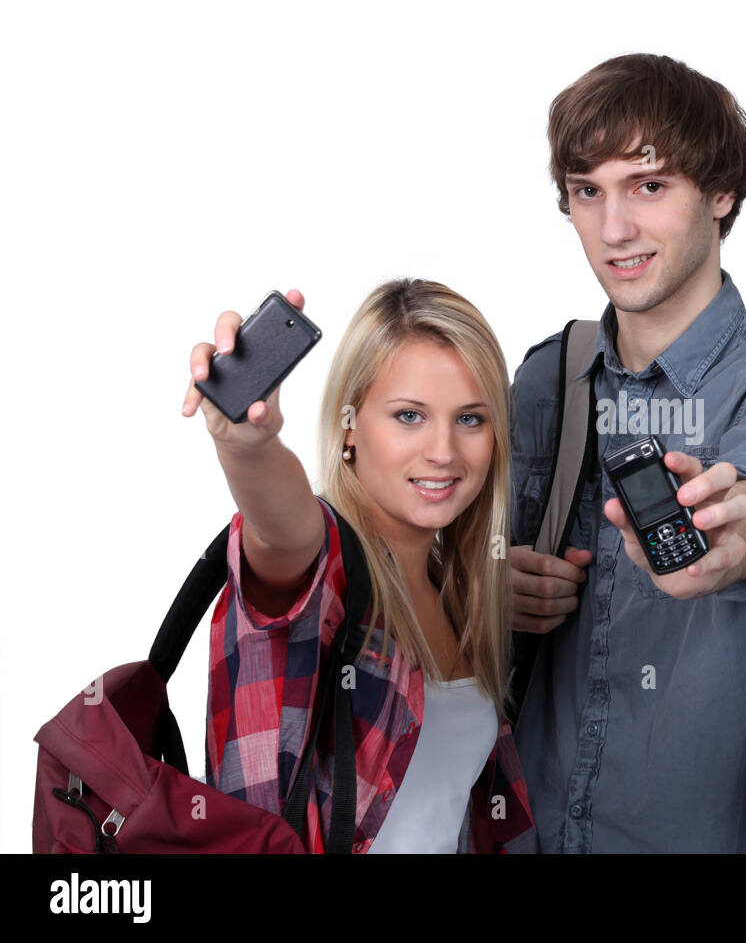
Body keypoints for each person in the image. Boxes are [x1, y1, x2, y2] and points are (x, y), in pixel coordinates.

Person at [507, 53, 746, 852]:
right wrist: (492, 588)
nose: (613, 229)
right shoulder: (544, 379)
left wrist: (736, 528)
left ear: (722, 192)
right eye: (587, 191)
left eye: (649, 186)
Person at [181, 279, 537, 853]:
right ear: (350, 424)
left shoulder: (458, 592)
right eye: (409, 416)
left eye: (471, 419)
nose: (444, 450)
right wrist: (248, 447)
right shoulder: (324, 564)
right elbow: (279, 526)